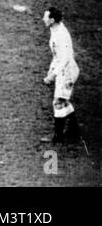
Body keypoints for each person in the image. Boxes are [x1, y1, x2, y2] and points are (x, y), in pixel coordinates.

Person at [40, 8, 80, 144]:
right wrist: (51, 70)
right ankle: (74, 129)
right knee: (64, 100)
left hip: (66, 72)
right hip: (64, 70)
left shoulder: (60, 35)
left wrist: (52, 75)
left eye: (45, 17)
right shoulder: (56, 30)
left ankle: (58, 137)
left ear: (52, 20)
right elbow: (57, 57)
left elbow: (65, 59)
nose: (43, 19)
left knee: (58, 102)